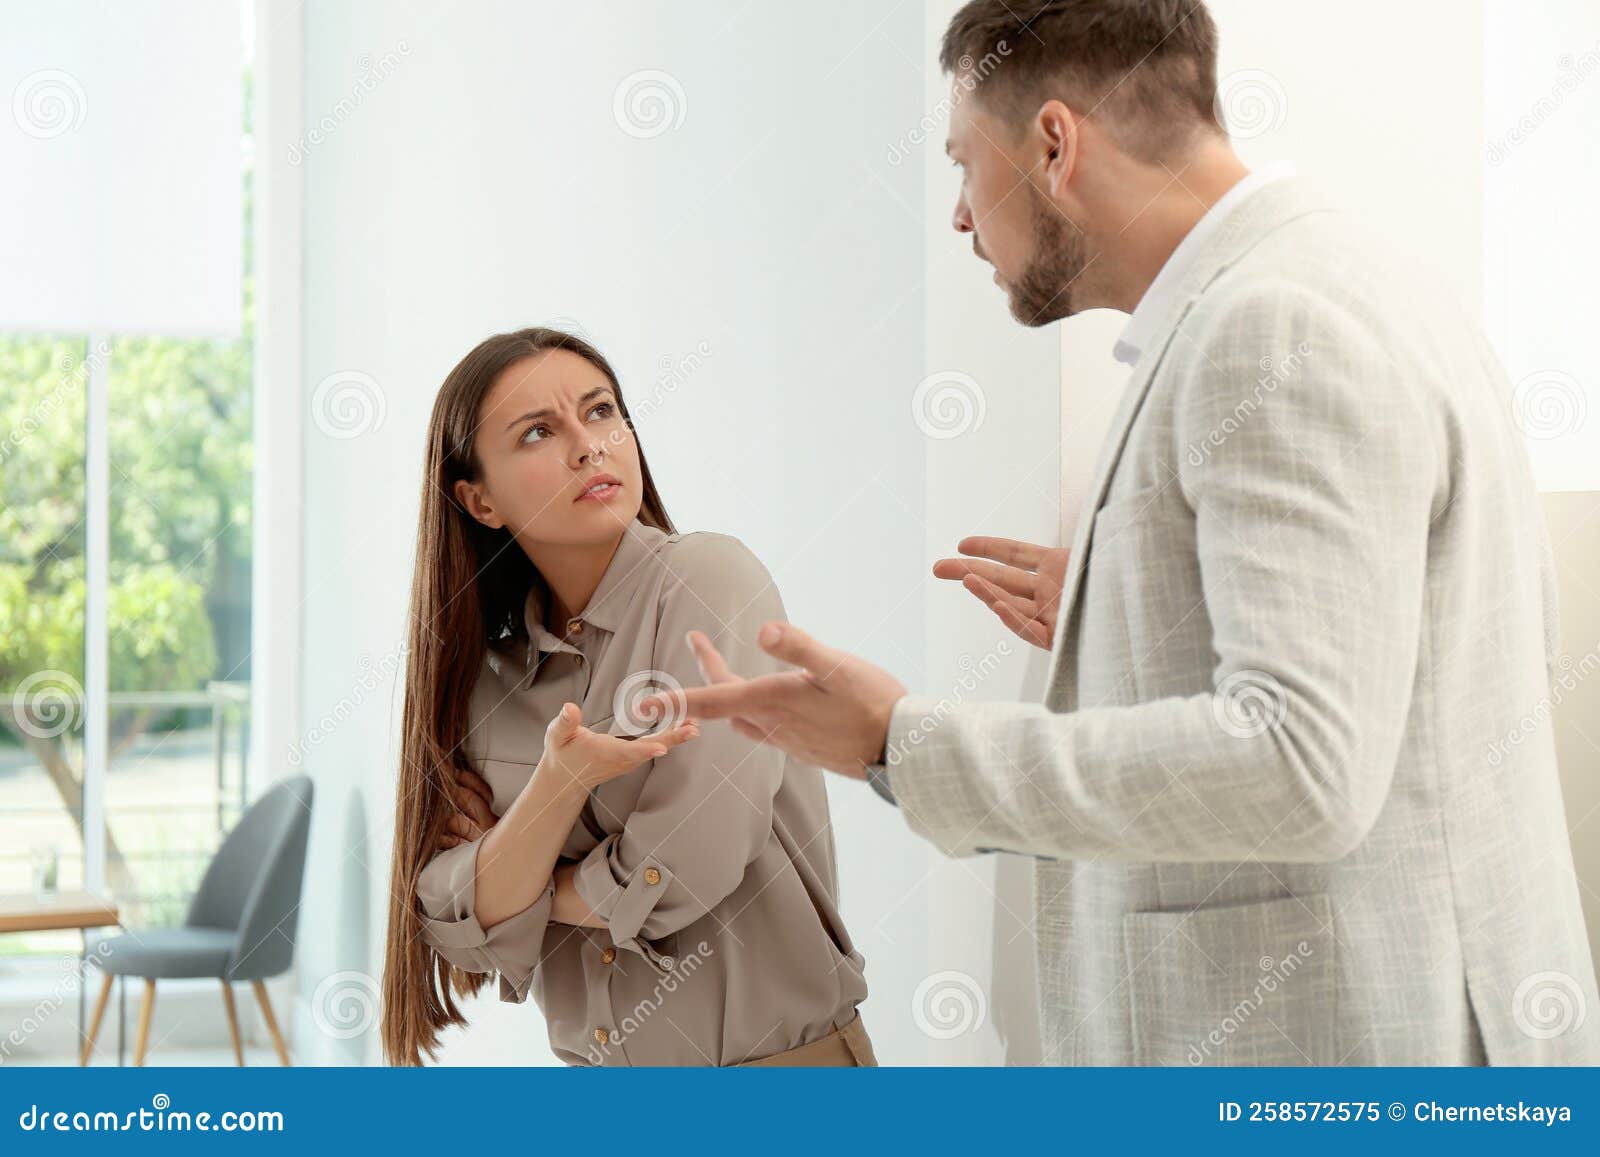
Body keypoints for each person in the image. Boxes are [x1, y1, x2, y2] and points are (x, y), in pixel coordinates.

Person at [646, 0, 1600, 1065]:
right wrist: (1140, 607)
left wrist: (895, 742)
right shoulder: (1352, 282)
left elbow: (1301, 768)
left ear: (1055, 145)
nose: (958, 216)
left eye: (963, 163)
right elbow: (1420, 646)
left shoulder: (1270, 328)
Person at [379, 327, 872, 1067]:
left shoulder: (710, 579)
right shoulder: (487, 683)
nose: (588, 447)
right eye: (539, 431)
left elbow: (688, 864)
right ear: (479, 500)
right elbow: (453, 923)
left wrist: (519, 881)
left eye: (600, 411)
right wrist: (559, 783)